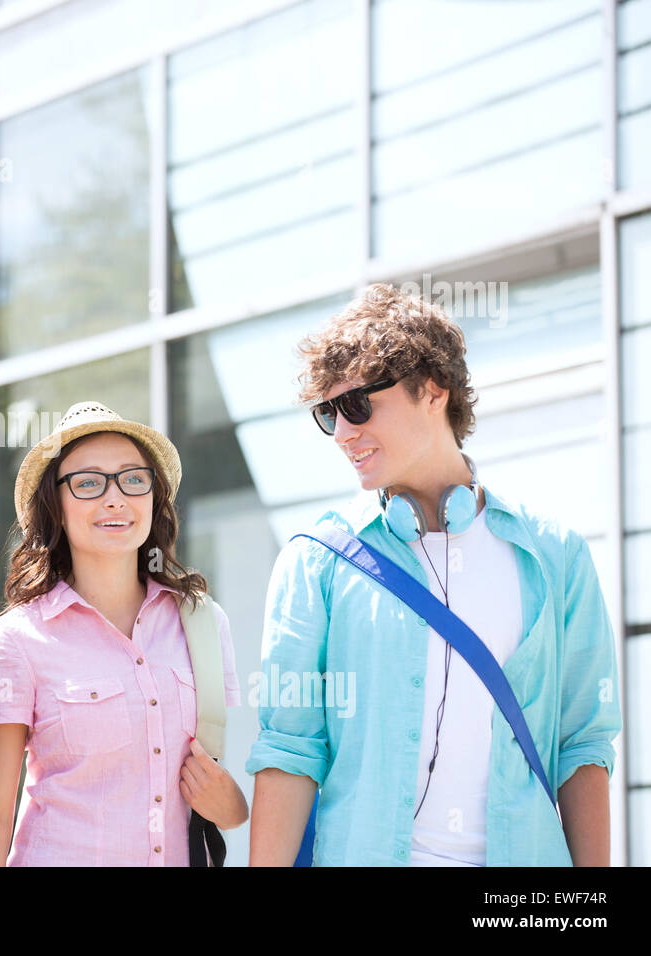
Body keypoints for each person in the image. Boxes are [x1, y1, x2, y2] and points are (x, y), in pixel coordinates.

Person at [246, 283, 622, 867]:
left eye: (358, 405)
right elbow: (289, 750)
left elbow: (583, 746)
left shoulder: (555, 555)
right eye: (329, 413)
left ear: (433, 392)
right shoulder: (316, 560)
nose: (343, 432)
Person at [0, 402, 247, 866]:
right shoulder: (16, 641)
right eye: (87, 483)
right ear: (55, 507)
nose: (115, 498)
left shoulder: (202, 622)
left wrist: (235, 808)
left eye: (133, 479)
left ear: (153, 497)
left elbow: (218, 789)